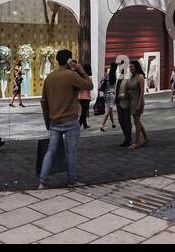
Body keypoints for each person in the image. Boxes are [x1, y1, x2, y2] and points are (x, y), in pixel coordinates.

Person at [38, 49, 94, 188]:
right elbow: (89, 85)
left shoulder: (49, 78)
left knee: (50, 151)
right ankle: (72, 181)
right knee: (71, 152)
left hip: (54, 121)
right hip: (70, 120)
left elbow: (44, 102)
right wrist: (80, 69)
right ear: (69, 60)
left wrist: (47, 122)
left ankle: (42, 181)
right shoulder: (71, 75)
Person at [127, 59, 148, 149]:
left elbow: (142, 91)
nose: (130, 68)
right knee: (137, 121)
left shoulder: (140, 77)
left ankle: (136, 142)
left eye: (132, 66)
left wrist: (139, 104)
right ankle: (146, 137)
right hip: (132, 102)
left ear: (136, 67)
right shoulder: (132, 77)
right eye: (129, 67)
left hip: (138, 101)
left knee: (136, 122)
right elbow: (130, 89)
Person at [114, 60, 134, 147]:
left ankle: (128, 138)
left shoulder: (129, 76)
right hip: (118, 102)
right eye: (120, 66)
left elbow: (131, 90)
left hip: (125, 102)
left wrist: (124, 95)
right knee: (120, 121)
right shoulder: (119, 76)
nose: (121, 68)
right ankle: (127, 137)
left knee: (126, 121)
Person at [99, 62, 118, 132]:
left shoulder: (106, 75)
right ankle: (102, 125)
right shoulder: (115, 76)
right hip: (112, 95)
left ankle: (113, 123)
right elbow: (115, 87)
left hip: (105, 94)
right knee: (108, 111)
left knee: (110, 109)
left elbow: (101, 83)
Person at [77, 60, 93, 129]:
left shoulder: (80, 77)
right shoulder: (89, 78)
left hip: (80, 96)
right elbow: (90, 87)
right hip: (86, 97)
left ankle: (85, 125)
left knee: (83, 111)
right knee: (84, 112)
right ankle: (78, 126)